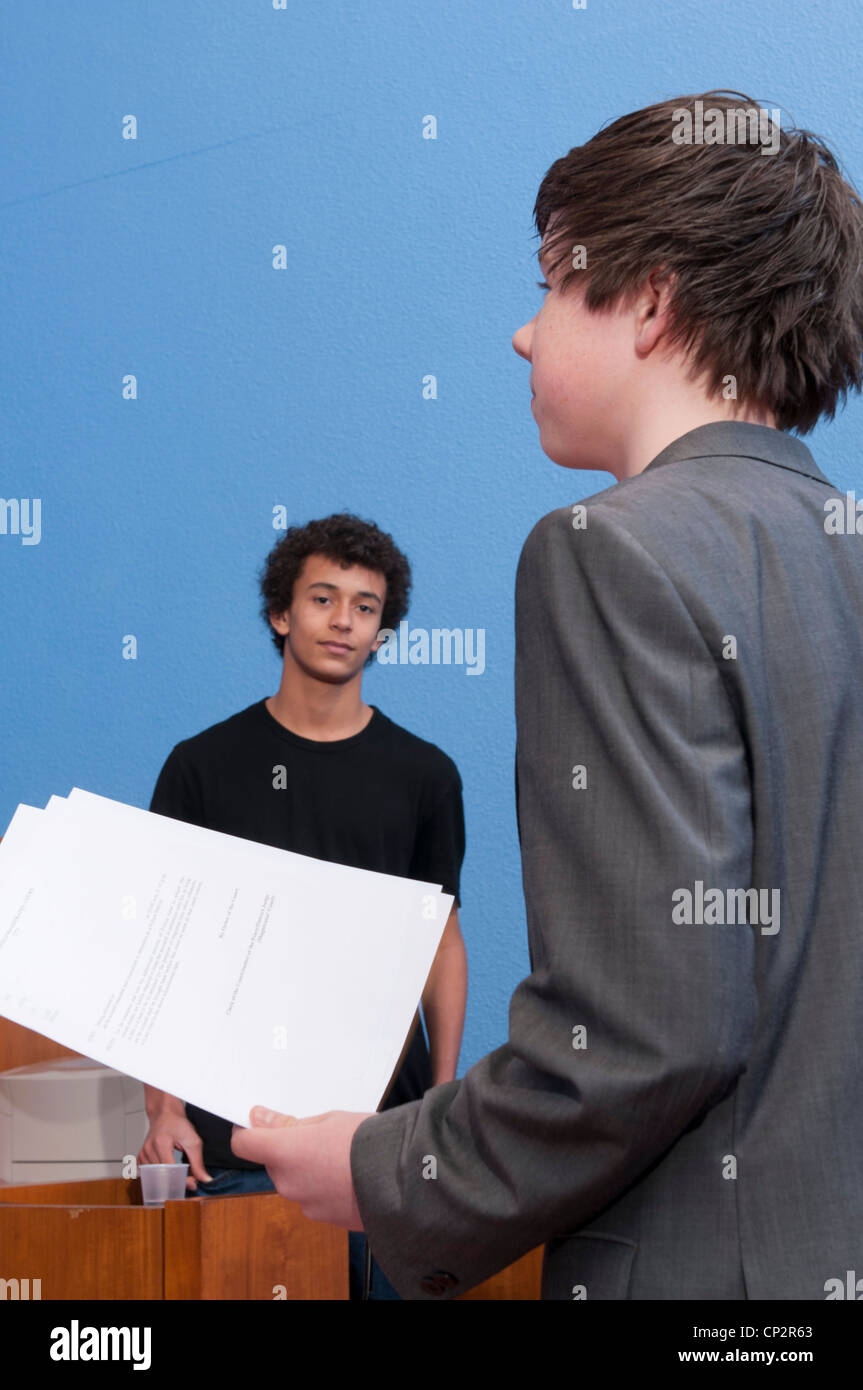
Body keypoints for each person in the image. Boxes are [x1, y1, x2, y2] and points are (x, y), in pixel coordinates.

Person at [231, 90, 863, 1299]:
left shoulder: (604, 549)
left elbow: (643, 1030)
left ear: (647, 303)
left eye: (549, 284)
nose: (523, 335)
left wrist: (383, 1171)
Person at [137, 513, 467, 1300]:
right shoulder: (201, 768)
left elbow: (439, 939)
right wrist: (162, 1109)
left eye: (365, 605)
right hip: (234, 1137)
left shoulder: (425, 775)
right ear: (282, 614)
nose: (344, 620)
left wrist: (443, 1111)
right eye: (323, 598)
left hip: (385, 1140)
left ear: (383, 631)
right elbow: (161, 950)